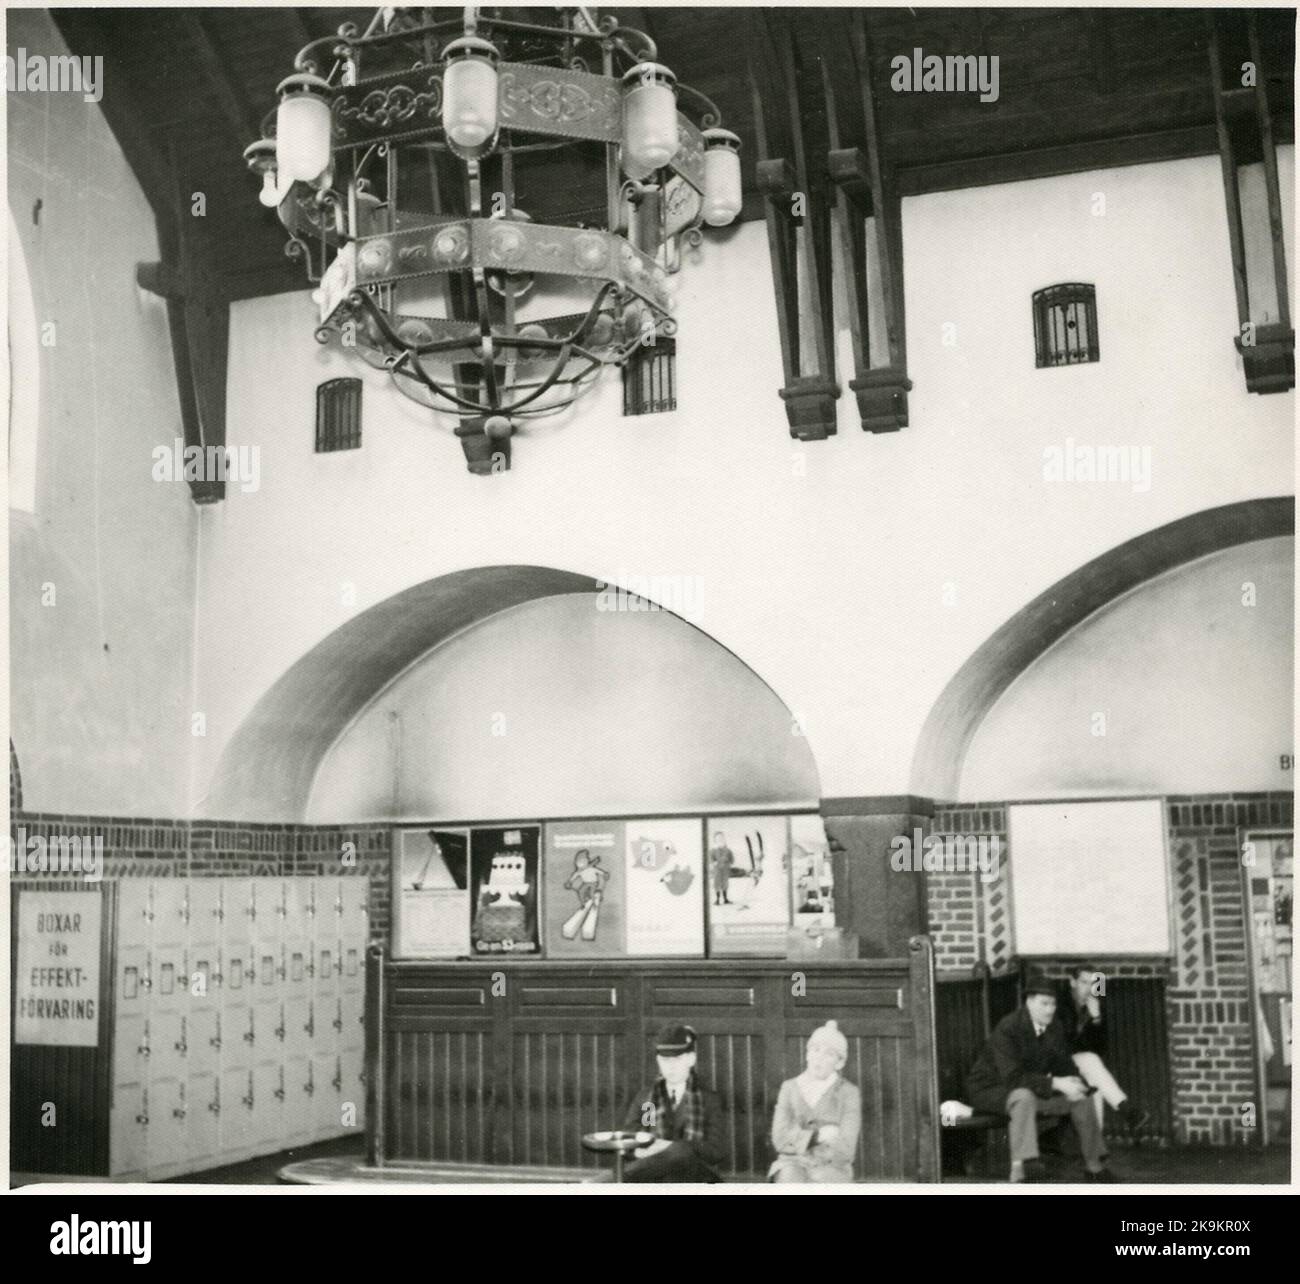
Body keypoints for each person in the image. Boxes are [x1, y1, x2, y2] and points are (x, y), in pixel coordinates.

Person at [965, 971, 1116, 1183]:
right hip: (990, 1089)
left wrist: (1076, 1082)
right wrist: (1055, 1083)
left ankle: (1095, 1167)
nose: (1049, 1010)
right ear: (1029, 1002)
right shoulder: (1009, 1028)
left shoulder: (1054, 1027)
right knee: (1023, 1096)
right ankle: (1023, 1170)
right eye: (1044, 1004)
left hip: (1025, 1088)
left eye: (1053, 1005)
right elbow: (1013, 1079)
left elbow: (1064, 1064)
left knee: (1081, 1097)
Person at [613, 1024, 726, 1182]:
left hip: (696, 1178)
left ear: (691, 1059)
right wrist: (640, 1151)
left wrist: (669, 1147)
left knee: (682, 1151)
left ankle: (614, 1181)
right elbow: (631, 1138)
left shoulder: (708, 1099)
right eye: (665, 1060)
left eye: (678, 1059)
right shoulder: (649, 1099)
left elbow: (716, 1151)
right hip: (653, 1178)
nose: (671, 1067)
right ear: (658, 1060)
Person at [1058, 964, 1150, 1134]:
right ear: (1073, 982)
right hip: (1057, 1063)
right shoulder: (1059, 1004)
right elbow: (1064, 1042)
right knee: (1091, 1063)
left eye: (1092, 984)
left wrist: (1096, 1019)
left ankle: (1095, 1144)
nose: (1088, 989)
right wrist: (1086, 1021)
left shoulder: (1095, 1007)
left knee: (1095, 1080)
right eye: (1084, 982)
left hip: (1082, 1064)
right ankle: (1126, 1109)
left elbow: (1100, 1048)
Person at [769, 1020, 861, 1182]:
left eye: (829, 1054)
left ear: (840, 1063)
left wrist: (799, 1140)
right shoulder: (789, 1088)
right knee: (790, 1180)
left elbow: (847, 1149)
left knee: (822, 1181)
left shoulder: (849, 1093)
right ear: (807, 1054)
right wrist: (818, 1136)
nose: (819, 1058)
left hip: (833, 1167)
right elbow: (780, 1139)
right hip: (791, 1163)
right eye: (815, 1050)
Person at [709, 832, 734, 905]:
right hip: (717, 869)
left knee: (725, 883)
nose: (720, 839)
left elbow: (732, 859)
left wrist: (729, 862)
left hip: (725, 869)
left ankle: (725, 899)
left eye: (721, 838)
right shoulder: (713, 850)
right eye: (718, 838)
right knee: (717, 883)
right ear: (715, 840)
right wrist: (713, 862)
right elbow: (710, 858)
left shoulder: (728, 850)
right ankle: (717, 900)